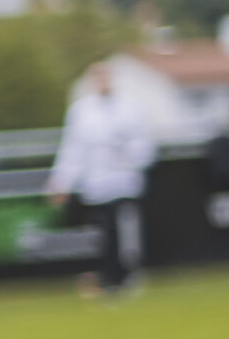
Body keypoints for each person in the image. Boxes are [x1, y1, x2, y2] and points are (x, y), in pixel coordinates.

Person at [46, 59, 155, 293]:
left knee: (127, 231)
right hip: (97, 186)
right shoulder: (81, 111)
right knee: (105, 236)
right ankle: (110, 279)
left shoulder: (130, 107)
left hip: (125, 183)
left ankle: (131, 275)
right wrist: (61, 182)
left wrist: (129, 157)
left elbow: (145, 145)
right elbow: (72, 150)